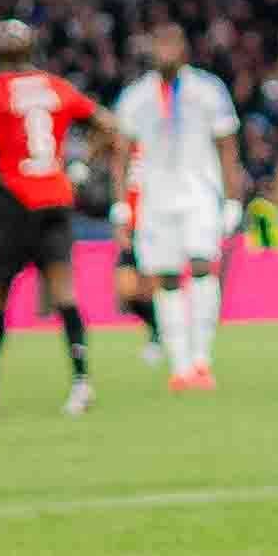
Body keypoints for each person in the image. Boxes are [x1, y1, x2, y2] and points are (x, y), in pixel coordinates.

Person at [0, 20, 109, 420]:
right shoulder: (56, 86)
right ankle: (81, 382)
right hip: (55, 193)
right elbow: (108, 126)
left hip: (14, 197)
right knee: (64, 292)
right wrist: (81, 167)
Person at [109, 22, 245, 388]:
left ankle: (202, 359)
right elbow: (120, 155)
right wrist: (121, 205)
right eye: (159, 43)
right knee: (166, 278)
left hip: (200, 193)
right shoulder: (136, 96)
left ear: (185, 48)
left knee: (202, 267)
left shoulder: (208, 89)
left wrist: (233, 199)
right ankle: (180, 366)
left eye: (172, 42)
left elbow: (228, 147)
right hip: (155, 199)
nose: (165, 49)